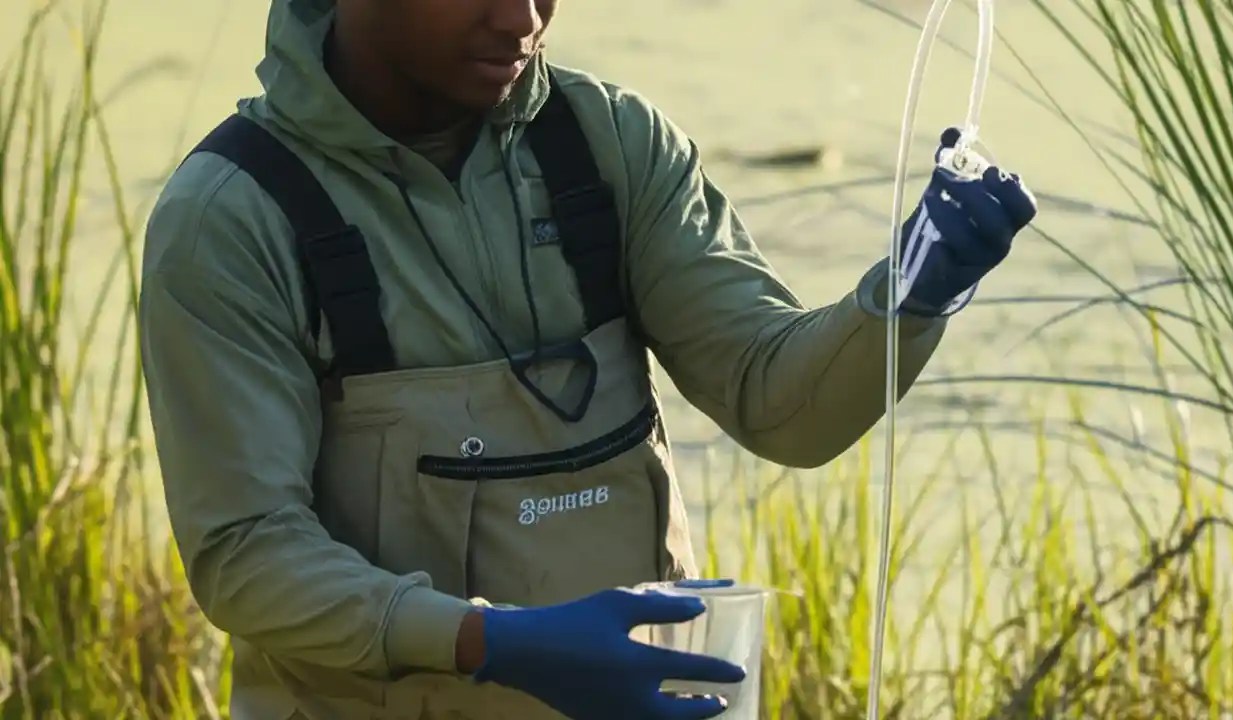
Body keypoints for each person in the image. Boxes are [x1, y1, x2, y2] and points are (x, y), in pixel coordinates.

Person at [137, 0, 1037, 718]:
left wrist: (911, 295)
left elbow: (778, 406)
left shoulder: (613, 145)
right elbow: (248, 558)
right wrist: (496, 645)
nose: (522, 17)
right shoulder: (229, 217)